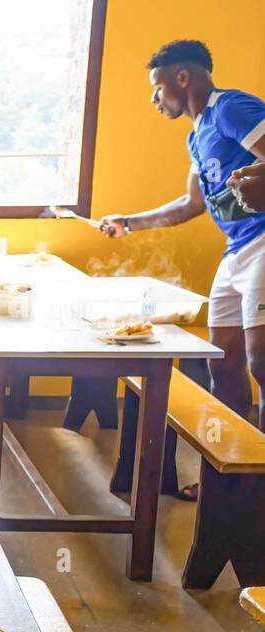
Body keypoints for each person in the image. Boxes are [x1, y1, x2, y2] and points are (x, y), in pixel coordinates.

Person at [99, 40, 265, 500]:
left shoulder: (229, 107)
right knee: (225, 367)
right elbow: (191, 204)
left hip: (263, 242)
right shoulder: (197, 135)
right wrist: (128, 222)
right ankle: (231, 484)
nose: (155, 100)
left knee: (261, 363)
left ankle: (260, 491)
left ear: (183, 78)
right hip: (236, 252)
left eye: (157, 89)